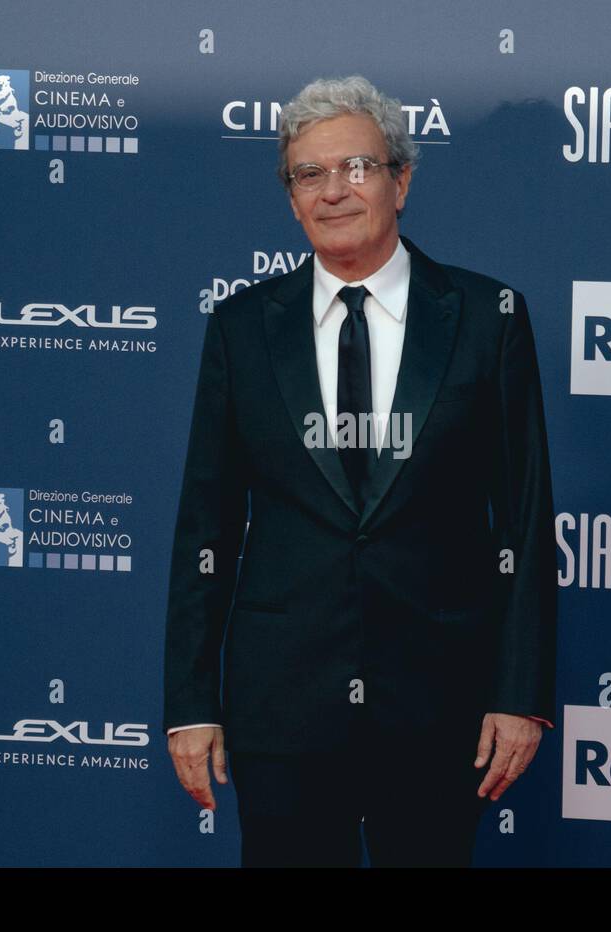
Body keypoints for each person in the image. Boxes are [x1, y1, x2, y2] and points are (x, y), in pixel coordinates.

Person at [164, 75, 556, 866]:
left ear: (402, 180)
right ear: (291, 197)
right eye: (310, 174)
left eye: (357, 168)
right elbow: (205, 523)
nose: (333, 191)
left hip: (439, 706)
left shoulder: (488, 319)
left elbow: (524, 519)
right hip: (283, 710)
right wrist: (191, 704)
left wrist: (521, 696)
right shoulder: (241, 328)